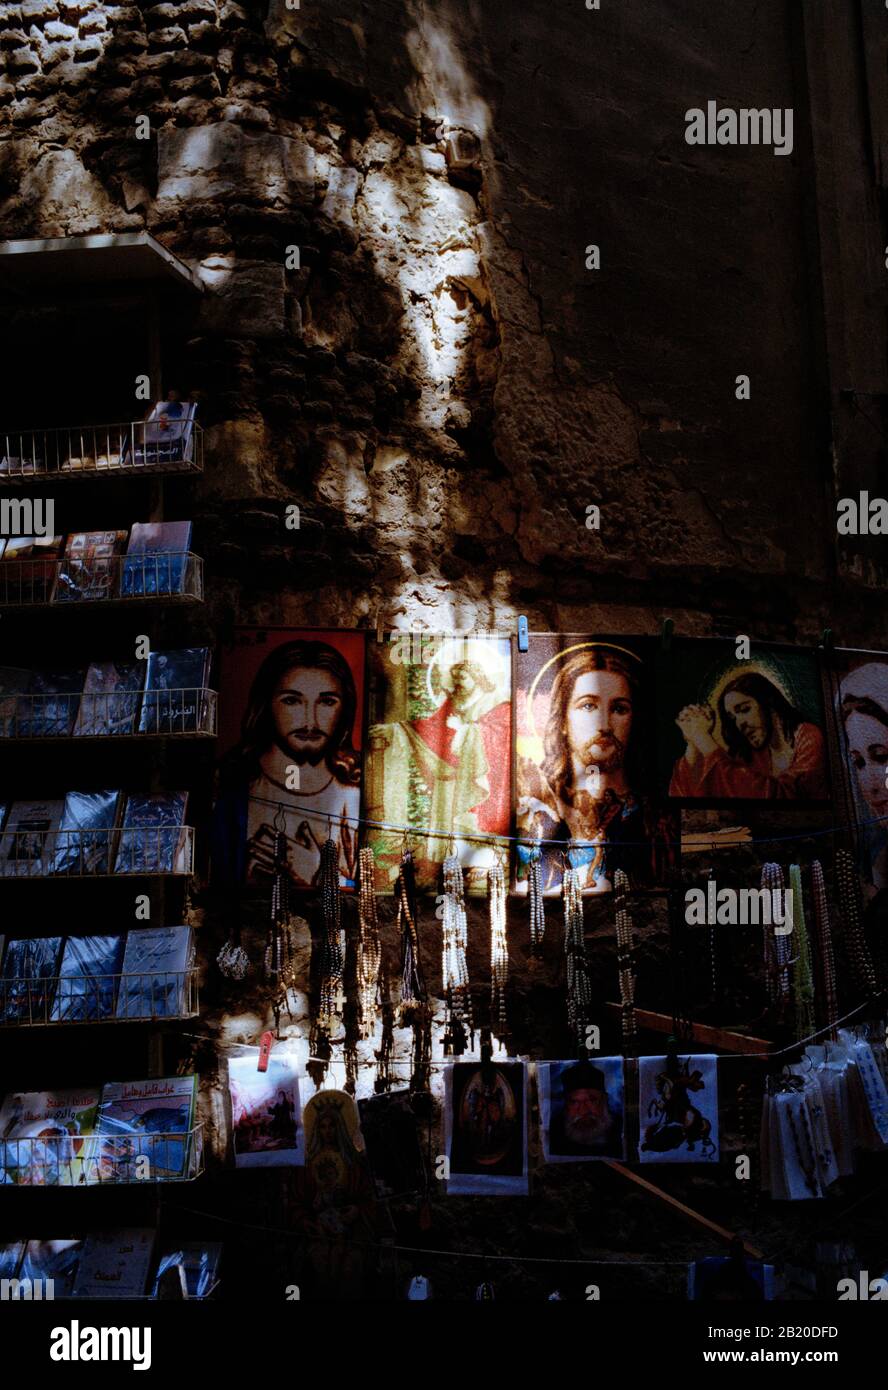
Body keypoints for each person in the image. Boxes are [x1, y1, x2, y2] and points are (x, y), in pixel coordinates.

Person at [214, 639, 360, 889]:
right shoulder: (234, 781)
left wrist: (311, 871)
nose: (310, 721)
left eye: (326, 702)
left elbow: (363, 884)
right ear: (266, 703)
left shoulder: (352, 788)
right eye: (292, 700)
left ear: (344, 708)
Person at [366, 641, 510, 884]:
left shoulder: (496, 703)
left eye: (462, 679)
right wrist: (395, 729)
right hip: (451, 779)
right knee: (449, 823)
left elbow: (500, 735)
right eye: (454, 679)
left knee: (475, 819)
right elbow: (428, 727)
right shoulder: (453, 702)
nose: (456, 685)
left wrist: (470, 731)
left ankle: (484, 860)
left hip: (482, 778)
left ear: (477, 676)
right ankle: (450, 863)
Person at [516, 645, 649, 891]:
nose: (604, 725)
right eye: (588, 706)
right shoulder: (540, 804)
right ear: (562, 718)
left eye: (619, 708)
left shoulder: (646, 811)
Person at [670, 671, 827, 799]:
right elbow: (701, 793)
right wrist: (693, 744)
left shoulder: (808, 737)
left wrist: (703, 739)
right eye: (733, 718)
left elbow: (783, 795)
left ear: (769, 703)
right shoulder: (751, 754)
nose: (739, 724)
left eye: (744, 710)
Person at [548, 1060, 622, 1157]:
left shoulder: (622, 1128)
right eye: (574, 1102)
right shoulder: (553, 1133)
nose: (583, 1111)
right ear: (566, 1105)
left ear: (605, 1101)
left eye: (592, 1101)